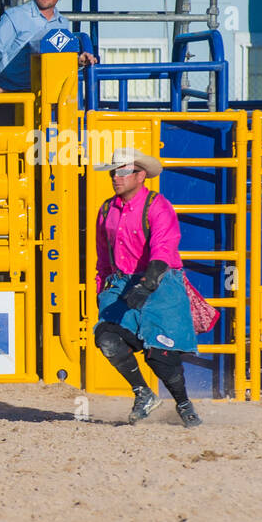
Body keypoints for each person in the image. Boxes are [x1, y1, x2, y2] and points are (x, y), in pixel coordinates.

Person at [93, 149, 201, 428]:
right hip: (121, 282)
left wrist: (148, 282)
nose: (116, 177)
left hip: (161, 282)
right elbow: (103, 257)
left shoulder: (157, 205)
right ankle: (143, 392)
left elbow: (164, 249)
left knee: (161, 355)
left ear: (141, 175)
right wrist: (101, 291)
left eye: (123, 171)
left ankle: (183, 403)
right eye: (114, 172)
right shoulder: (106, 210)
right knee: (107, 337)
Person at [0, 0, 97, 121]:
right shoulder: (15, 16)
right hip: (9, 95)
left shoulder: (62, 23)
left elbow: (57, 58)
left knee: (38, 143)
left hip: (41, 98)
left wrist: (77, 61)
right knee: (9, 144)